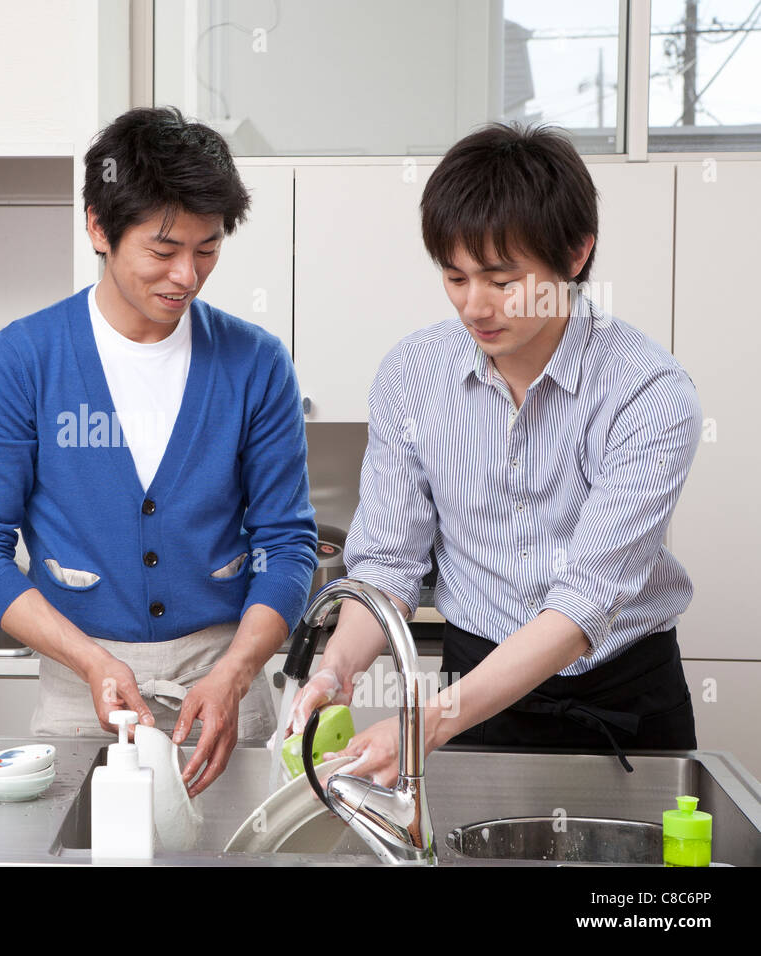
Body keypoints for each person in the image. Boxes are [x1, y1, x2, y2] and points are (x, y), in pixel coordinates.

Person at [290, 123, 701, 781]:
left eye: (502, 280)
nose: (474, 307)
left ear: (575, 254)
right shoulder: (413, 375)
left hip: (624, 698)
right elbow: (390, 562)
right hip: (473, 692)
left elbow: (583, 604)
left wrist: (425, 724)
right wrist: (337, 670)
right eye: (455, 277)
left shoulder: (649, 393)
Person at [0, 107, 317, 796]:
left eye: (207, 250)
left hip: (226, 688)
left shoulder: (256, 364)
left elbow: (287, 545)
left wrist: (235, 672)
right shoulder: (20, 361)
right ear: (99, 227)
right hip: (79, 691)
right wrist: (90, 660)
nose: (187, 275)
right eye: (163, 249)